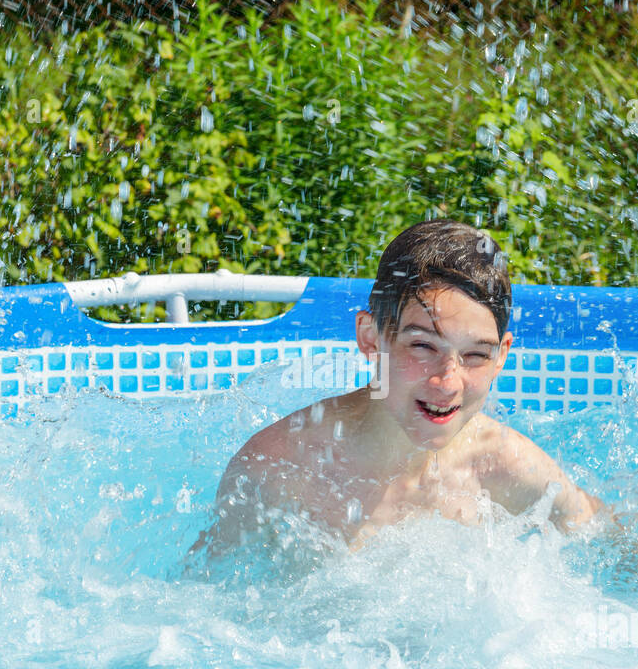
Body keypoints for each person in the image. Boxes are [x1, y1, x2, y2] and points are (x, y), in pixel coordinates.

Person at [194, 218, 611, 556]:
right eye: (423, 346)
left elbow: (607, 533)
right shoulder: (280, 467)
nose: (447, 382)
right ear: (371, 338)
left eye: (476, 355)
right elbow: (200, 600)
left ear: (502, 354)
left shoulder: (507, 466)